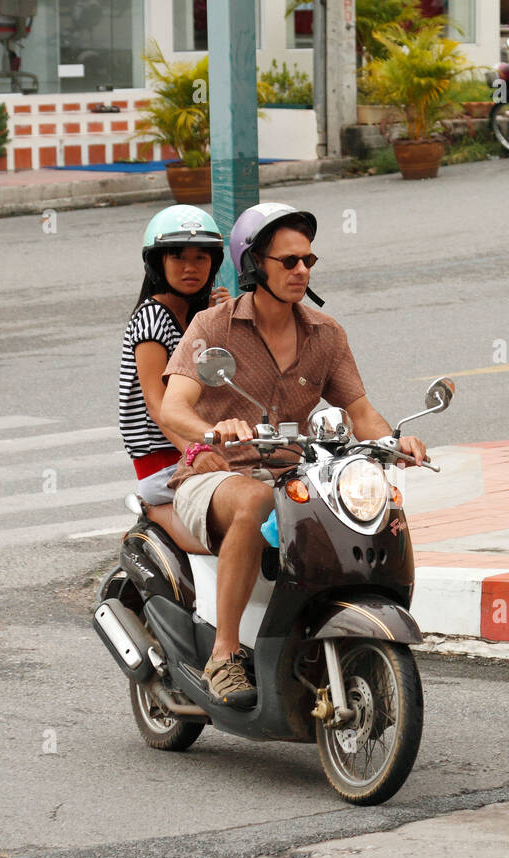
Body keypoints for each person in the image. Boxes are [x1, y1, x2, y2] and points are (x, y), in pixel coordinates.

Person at [158, 203, 428, 709]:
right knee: (256, 500)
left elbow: (360, 411)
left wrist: (394, 442)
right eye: (289, 262)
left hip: (294, 472)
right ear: (255, 265)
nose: (302, 270)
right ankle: (224, 654)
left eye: (308, 260)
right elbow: (173, 408)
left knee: (359, 505)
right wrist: (214, 431)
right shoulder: (213, 328)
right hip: (214, 476)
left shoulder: (325, 334)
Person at [119, 205, 229, 506]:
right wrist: (194, 452)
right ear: (158, 263)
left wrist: (224, 319)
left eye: (200, 258)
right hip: (164, 463)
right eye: (178, 256)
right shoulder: (153, 318)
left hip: (197, 447)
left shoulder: (195, 317)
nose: (190, 267)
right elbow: (157, 405)